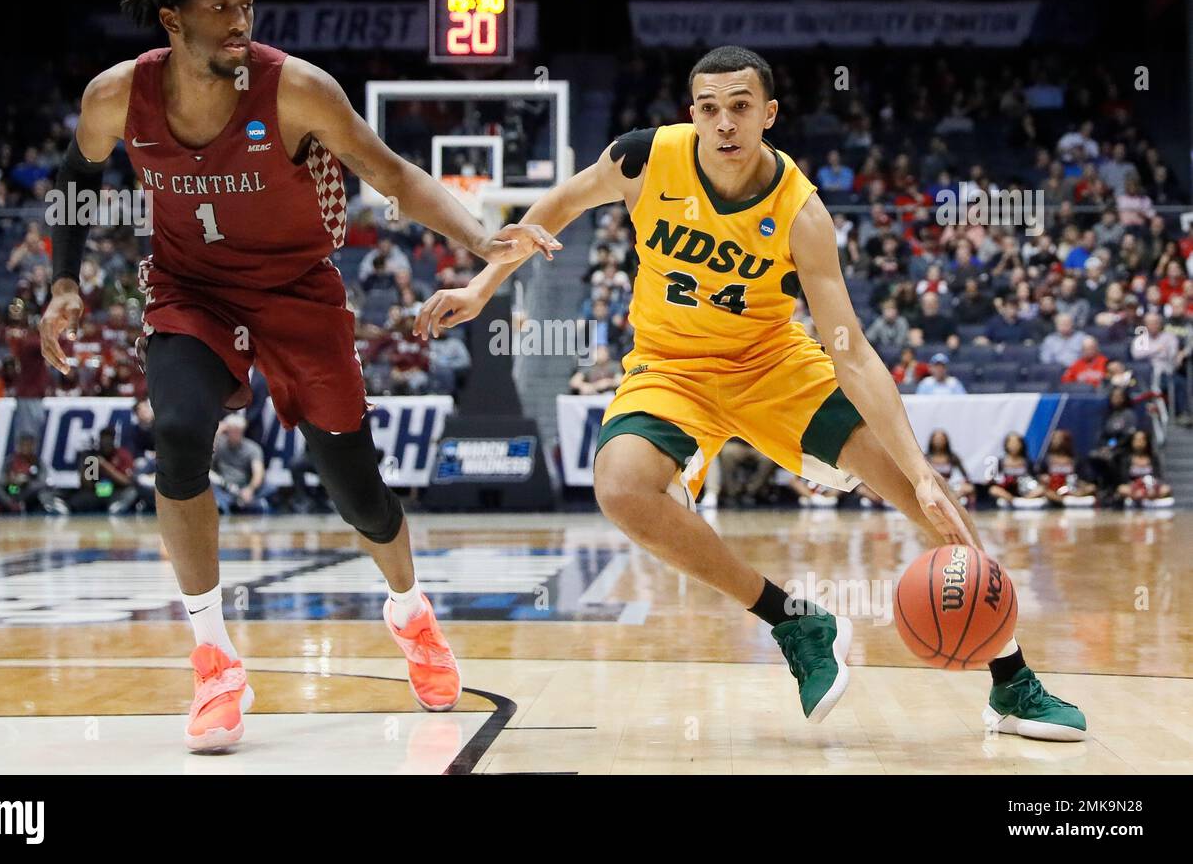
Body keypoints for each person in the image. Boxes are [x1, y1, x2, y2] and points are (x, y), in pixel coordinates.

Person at [417, 44, 1084, 740]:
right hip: (671, 367)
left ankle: (1013, 681)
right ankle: (796, 623)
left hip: (773, 367)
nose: (724, 123)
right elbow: (547, 213)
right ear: (693, 115)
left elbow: (850, 350)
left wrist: (918, 471)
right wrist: (479, 286)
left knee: (930, 501)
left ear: (768, 114)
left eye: (740, 108)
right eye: (709, 109)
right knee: (619, 485)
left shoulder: (801, 210)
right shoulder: (644, 159)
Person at [37, 0, 557, 752]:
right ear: (172, 19)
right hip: (189, 291)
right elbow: (73, 174)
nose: (239, 18)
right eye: (219, 5)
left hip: (297, 293)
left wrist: (480, 238)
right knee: (175, 436)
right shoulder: (117, 96)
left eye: (246, 3)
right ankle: (214, 659)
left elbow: (394, 175)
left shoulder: (297, 89)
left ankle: (411, 613)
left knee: (358, 489)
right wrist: (64, 284)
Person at [61, 426, 139, 514]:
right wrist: (85, 468)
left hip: (116, 491)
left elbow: (126, 481)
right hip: (97, 493)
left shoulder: (122, 455)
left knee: (132, 492)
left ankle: (116, 508)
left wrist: (105, 466)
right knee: (79, 499)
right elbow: (87, 486)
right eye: (103, 441)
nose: (106, 444)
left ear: (113, 441)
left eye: (108, 441)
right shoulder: (93, 457)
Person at [0, 433, 66, 515]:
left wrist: (26, 480)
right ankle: (11, 505)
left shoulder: (38, 462)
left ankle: (8, 505)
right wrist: (11, 480)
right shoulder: (10, 461)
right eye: (23, 444)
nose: (25, 447)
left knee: (38, 487)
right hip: (11, 489)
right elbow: (2, 478)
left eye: (28, 445)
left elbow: (42, 481)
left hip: (25, 491)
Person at [209, 415, 268, 514]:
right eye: (232, 430)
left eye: (238, 431)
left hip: (244, 487)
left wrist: (250, 489)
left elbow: (258, 473)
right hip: (221, 487)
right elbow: (206, 458)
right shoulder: (219, 445)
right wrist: (218, 430)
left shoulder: (253, 448)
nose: (236, 434)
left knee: (264, 501)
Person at [1038, 429, 1097, 505]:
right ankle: (1063, 501)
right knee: (1041, 490)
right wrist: (1043, 478)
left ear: (1066, 440)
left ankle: (1069, 500)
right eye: (1053, 438)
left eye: (1058, 438)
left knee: (1091, 488)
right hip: (1052, 493)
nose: (1054, 441)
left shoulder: (1077, 461)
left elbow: (1086, 480)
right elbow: (1038, 477)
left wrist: (1079, 485)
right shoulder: (1045, 462)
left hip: (1073, 490)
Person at [986, 432, 1044, 507]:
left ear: (1021, 445)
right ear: (1006, 445)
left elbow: (1035, 478)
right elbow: (991, 482)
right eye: (1011, 443)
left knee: (1041, 489)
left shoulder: (1027, 462)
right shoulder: (1000, 462)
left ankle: (1023, 500)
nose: (1014, 446)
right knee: (993, 490)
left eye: (1017, 443)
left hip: (1025, 491)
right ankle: (1014, 501)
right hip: (1006, 492)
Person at [1114, 430, 1172, 505]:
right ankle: (1140, 499)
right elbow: (1124, 479)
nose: (1139, 443)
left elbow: (1158, 476)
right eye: (1136, 440)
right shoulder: (1127, 459)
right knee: (1121, 489)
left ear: (1146, 441)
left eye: (1142, 440)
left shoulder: (1153, 458)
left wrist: (1153, 488)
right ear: (1132, 441)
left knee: (1166, 489)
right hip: (1133, 489)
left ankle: (1147, 500)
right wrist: (1135, 489)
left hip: (1151, 488)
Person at [923, 429, 974, 506]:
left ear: (946, 441)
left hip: (950, 487)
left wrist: (962, 485)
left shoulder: (953, 457)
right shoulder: (926, 458)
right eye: (936, 439)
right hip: (933, 486)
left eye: (941, 439)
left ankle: (951, 501)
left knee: (968, 488)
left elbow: (965, 476)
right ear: (931, 441)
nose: (939, 441)